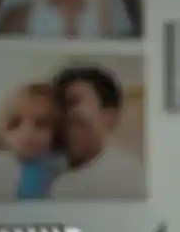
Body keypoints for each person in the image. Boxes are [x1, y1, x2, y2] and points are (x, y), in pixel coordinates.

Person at [48, 66, 145, 199]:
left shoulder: (128, 177)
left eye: (73, 102)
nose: (64, 115)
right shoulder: (48, 172)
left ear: (109, 115)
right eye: (60, 105)